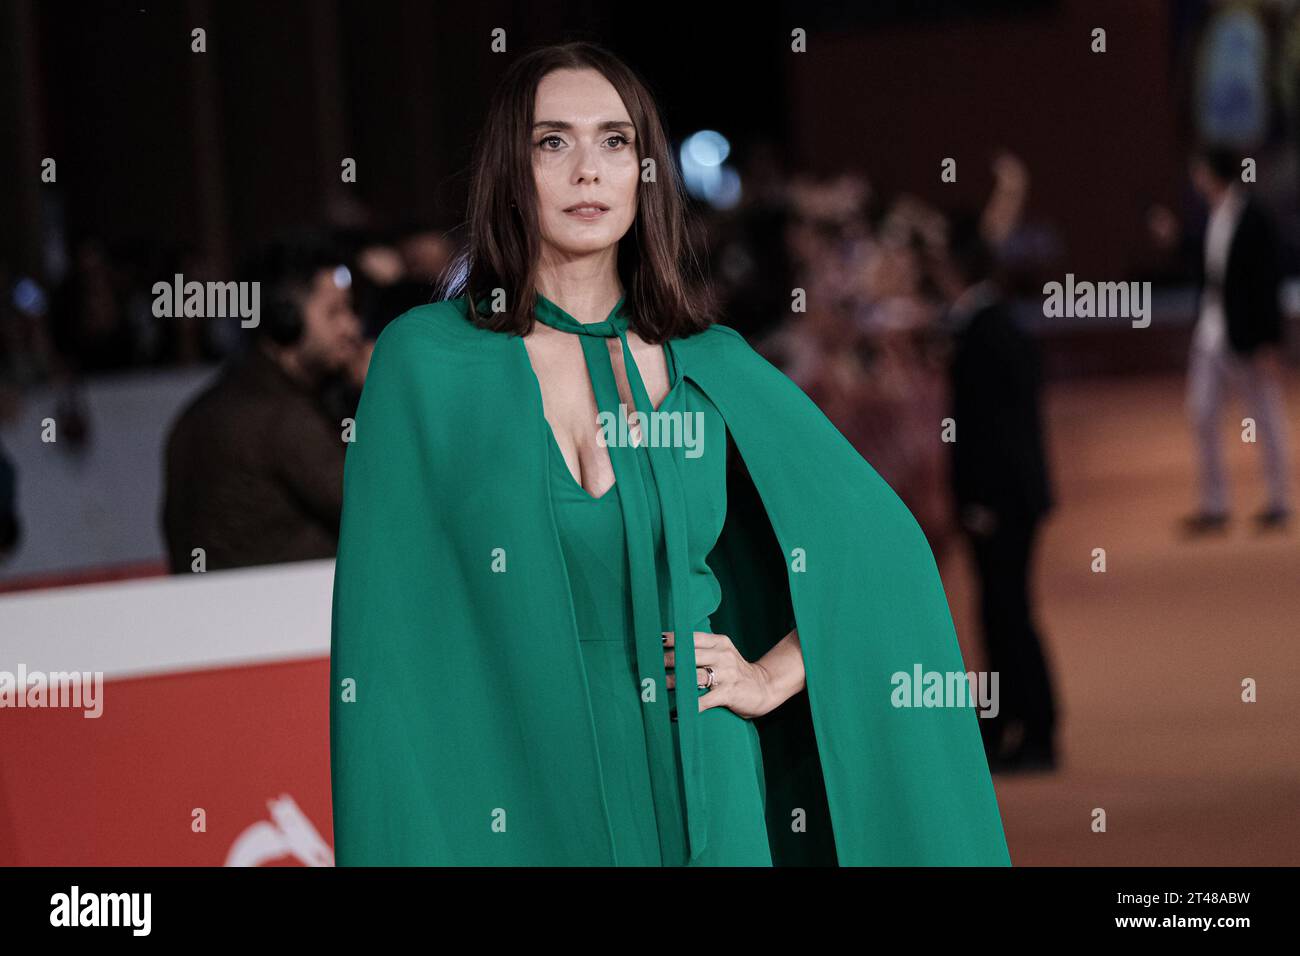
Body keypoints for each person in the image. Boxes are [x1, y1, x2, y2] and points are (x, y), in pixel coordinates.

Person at [329, 42, 1010, 866]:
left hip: (706, 763)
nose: (589, 170)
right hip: (526, 781)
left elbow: (885, 554)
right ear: (511, 170)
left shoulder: (710, 362)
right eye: (555, 142)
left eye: (616, 142)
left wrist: (768, 676)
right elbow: (386, 638)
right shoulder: (426, 364)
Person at [161, 235, 365, 572]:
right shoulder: (282, 416)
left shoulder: (212, 404)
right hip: (283, 612)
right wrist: (377, 396)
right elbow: (378, 509)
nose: (352, 327)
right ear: (285, 319)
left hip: (231, 611)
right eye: (335, 312)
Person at [937, 212, 1059, 773]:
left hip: (1002, 502)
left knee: (1007, 613)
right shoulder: (994, 323)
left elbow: (991, 430)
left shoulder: (985, 330)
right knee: (999, 613)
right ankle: (1006, 726)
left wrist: (982, 500)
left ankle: (1035, 731)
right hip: (1012, 497)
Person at [1183, 144, 1292, 535]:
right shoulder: (1210, 216)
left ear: (1214, 173)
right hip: (1211, 331)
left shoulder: (1253, 216)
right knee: (1201, 411)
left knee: (1264, 414)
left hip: (1247, 335)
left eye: (1199, 170)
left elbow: (1268, 280)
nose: (1195, 179)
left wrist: (1268, 340)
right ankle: (1215, 504)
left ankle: (1279, 501)